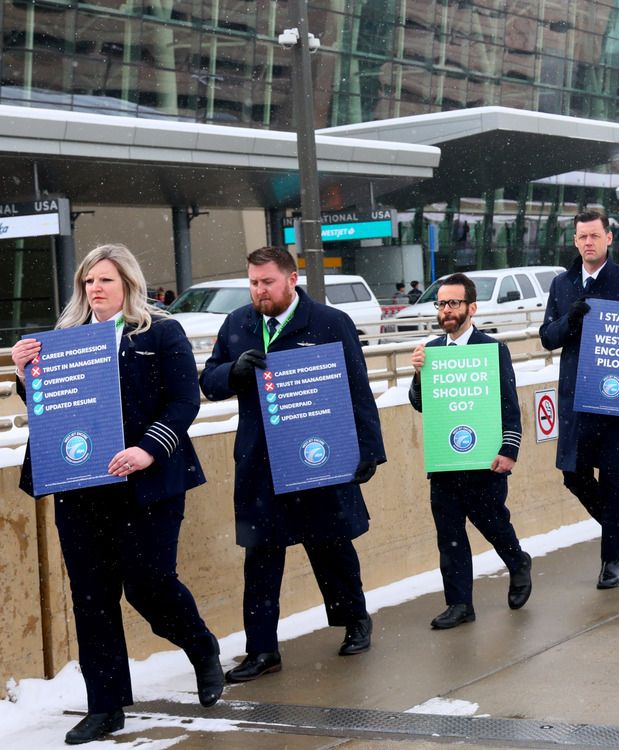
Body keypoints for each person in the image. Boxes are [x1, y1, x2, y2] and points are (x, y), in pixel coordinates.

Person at [11, 244, 223, 745]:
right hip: (82, 486)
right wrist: (26, 374)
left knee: (149, 583)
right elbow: (51, 406)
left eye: (105, 279)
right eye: (88, 281)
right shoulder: (66, 340)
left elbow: (183, 399)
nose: (95, 289)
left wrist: (149, 449)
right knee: (92, 596)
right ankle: (105, 706)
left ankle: (200, 646)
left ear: (128, 282)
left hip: (146, 483)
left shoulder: (159, 331)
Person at [200, 246, 385, 682]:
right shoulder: (237, 324)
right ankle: (262, 650)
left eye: (267, 282)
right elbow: (209, 381)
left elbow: (358, 387)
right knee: (260, 559)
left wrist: (367, 449)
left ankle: (354, 621)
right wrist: (233, 372)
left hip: (318, 454)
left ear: (291, 279)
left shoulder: (329, 323)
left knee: (332, 545)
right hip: (260, 463)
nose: (259, 291)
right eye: (252, 282)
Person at [408, 273, 532, 629]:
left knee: (493, 523)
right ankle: (460, 604)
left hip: (484, 460)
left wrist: (509, 450)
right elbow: (419, 404)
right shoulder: (431, 351)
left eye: (453, 303)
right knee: (449, 535)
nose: (446, 310)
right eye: (441, 304)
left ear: (471, 307)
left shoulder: (492, 349)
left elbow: (510, 404)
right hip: (445, 461)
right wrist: (418, 376)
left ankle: (518, 562)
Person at [539, 209, 619, 588]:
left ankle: (612, 559)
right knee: (573, 474)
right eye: (582, 237)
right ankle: (618, 520)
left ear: (609, 239)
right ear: (575, 240)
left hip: (618, 395)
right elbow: (547, 337)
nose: (588, 242)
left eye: (594, 236)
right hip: (575, 396)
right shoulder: (562, 283)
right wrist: (570, 319)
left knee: (615, 475)